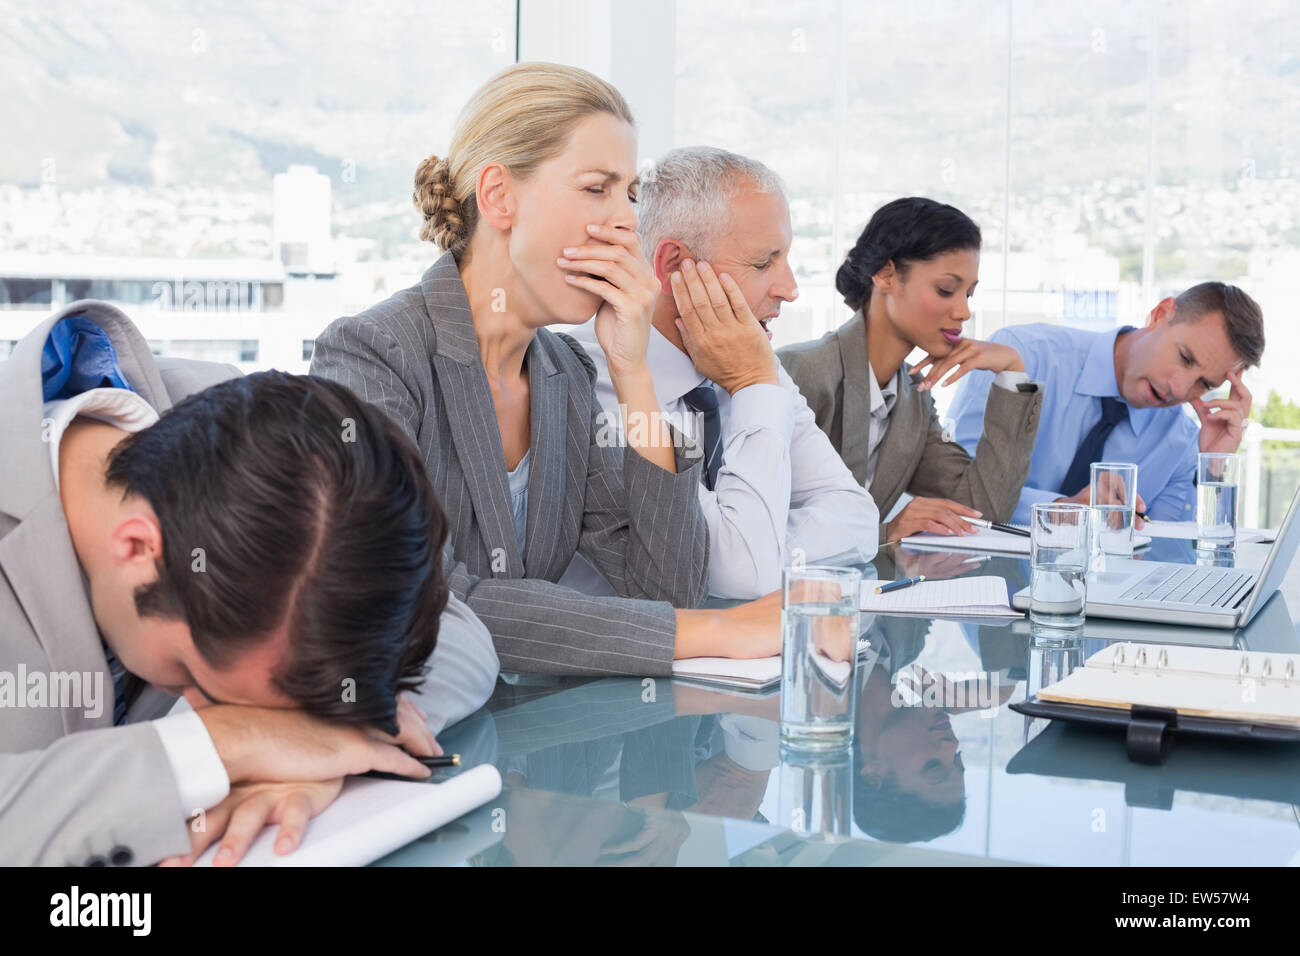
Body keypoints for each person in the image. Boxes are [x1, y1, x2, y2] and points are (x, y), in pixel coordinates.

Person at [311, 63, 781, 672]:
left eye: (630, 195)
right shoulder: (373, 355)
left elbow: (667, 588)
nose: (625, 222)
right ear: (499, 196)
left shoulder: (566, 375)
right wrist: (716, 632)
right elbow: (415, 601)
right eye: (596, 188)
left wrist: (633, 374)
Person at [0, 300, 500, 867]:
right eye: (196, 680)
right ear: (138, 547)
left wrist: (333, 736)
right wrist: (228, 744)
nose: (251, 717)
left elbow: (460, 633)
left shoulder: (270, 439)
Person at [561, 146, 878, 599]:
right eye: (763, 263)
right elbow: (740, 574)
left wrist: (754, 548)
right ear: (674, 266)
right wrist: (752, 385)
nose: (790, 290)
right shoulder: (589, 378)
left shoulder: (755, 362)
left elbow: (859, 520)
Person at [779, 197, 1043, 542]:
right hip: (778, 594)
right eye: (946, 289)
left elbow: (981, 508)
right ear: (886, 275)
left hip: (861, 591)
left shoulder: (914, 399)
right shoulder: (801, 372)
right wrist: (885, 534)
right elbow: (758, 531)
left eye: (969, 294)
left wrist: (1012, 372)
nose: (964, 311)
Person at [949, 281, 1264, 524]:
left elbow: (1172, 564)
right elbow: (953, 484)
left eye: (1205, 384)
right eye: (1183, 357)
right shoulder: (1024, 356)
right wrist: (1061, 511)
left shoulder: (1182, 445)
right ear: (1159, 314)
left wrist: (1212, 466)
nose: (1179, 388)